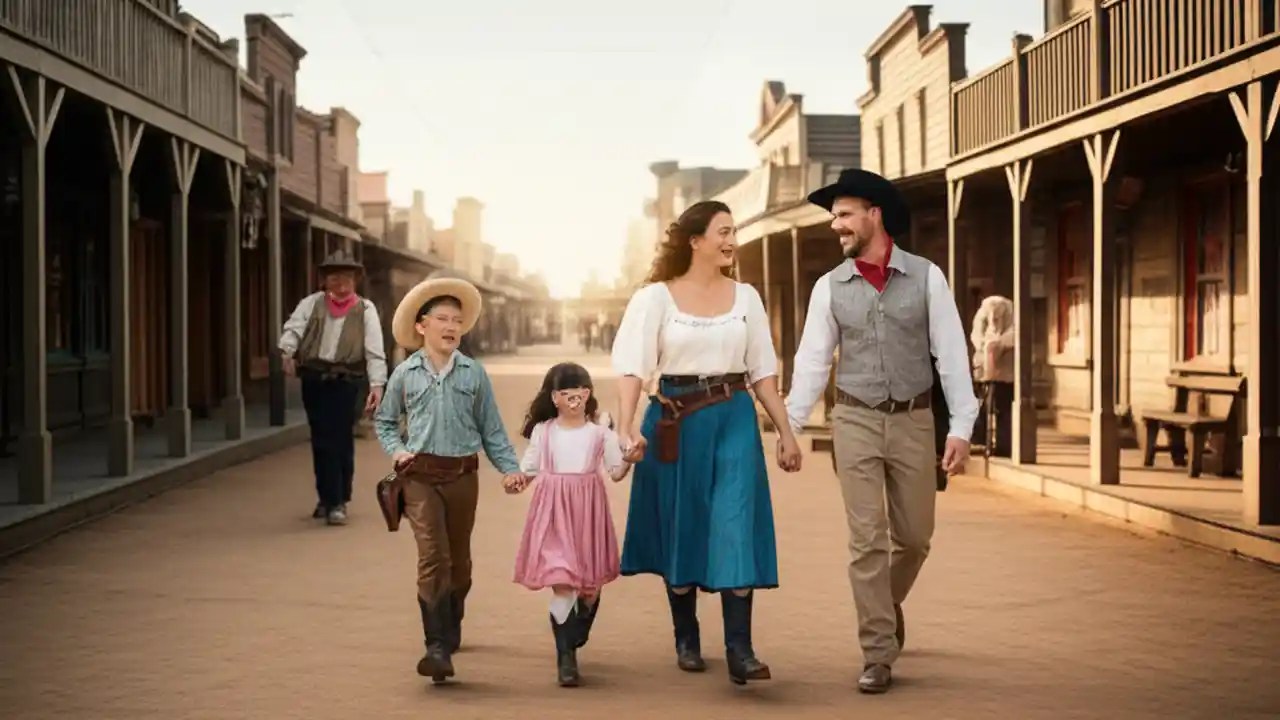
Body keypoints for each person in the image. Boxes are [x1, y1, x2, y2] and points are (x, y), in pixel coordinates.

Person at [784, 168, 979, 694]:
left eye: (844, 215)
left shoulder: (927, 278)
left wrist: (961, 427)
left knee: (914, 539)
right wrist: (790, 425)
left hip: (915, 420)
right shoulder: (829, 287)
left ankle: (884, 604)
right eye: (834, 217)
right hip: (854, 420)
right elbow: (812, 361)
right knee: (867, 539)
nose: (836, 225)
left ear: (875, 215)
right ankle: (877, 652)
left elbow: (952, 354)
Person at [611, 200, 802, 686]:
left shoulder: (747, 298)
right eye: (723, 231)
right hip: (674, 420)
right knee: (684, 523)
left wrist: (785, 432)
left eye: (733, 231)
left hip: (734, 416)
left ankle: (740, 649)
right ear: (695, 241)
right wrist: (626, 427)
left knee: (736, 521)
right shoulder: (654, 299)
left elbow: (762, 371)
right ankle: (686, 635)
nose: (731, 240)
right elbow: (632, 366)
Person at [373, 274, 527, 684]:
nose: (451, 327)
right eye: (442, 319)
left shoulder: (473, 374)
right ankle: (436, 645)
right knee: (433, 557)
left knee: (459, 563)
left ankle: (452, 615)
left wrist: (510, 469)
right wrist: (397, 450)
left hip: (462, 477)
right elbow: (385, 422)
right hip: (419, 478)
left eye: (457, 321)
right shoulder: (405, 373)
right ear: (421, 326)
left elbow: (492, 429)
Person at [509, 362, 633, 687]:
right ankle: (566, 659)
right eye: (565, 393)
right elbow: (529, 468)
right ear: (554, 397)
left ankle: (583, 620)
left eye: (578, 392)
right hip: (553, 514)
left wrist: (630, 460)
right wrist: (517, 481)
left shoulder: (600, 433)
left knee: (589, 588)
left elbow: (616, 471)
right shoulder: (544, 431)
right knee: (562, 580)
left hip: (588, 514)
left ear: (587, 394)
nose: (573, 398)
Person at [279, 248, 387, 526]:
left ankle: (338, 500)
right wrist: (287, 351)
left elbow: (375, 351)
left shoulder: (365, 309)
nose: (341, 285)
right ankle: (325, 498)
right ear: (324, 281)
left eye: (347, 279)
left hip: (346, 381)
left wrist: (377, 385)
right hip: (314, 378)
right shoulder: (311, 303)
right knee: (320, 439)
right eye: (335, 279)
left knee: (339, 439)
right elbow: (293, 329)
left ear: (355, 281)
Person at [970, 295, 1014, 458]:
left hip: (1006, 371)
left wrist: (999, 343)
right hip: (984, 369)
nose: (994, 320)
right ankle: (980, 439)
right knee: (982, 405)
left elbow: (1015, 334)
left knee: (1003, 408)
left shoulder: (1012, 313)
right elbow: (976, 335)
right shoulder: (982, 314)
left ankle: (1004, 445)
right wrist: (985, 345)